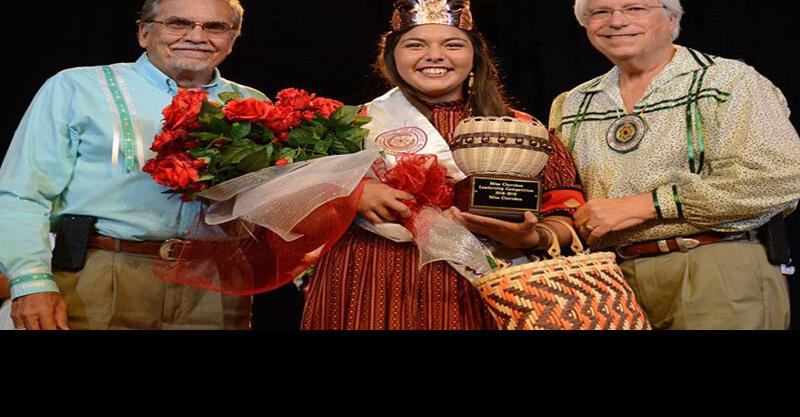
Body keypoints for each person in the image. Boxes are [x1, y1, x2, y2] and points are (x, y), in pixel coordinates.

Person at [302, 0, 586, 330]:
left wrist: (531, 237)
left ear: (476, 55)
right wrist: (353, 193)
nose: (435, 55)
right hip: (370, 283)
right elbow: (297, 207)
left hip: (486, 290)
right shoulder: (352, 125)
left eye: (453, 44)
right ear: (392, 56)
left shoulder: (524, 130)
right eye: (415, 45)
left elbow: (566, 217)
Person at [0, 0, 265, 330]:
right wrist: (31, 283)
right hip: (99, 273)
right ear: (144, 32)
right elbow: (22, 194)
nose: (197, 36)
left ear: (233, 38)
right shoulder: (77, 88)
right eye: (178, 23)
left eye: (215, 27)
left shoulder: (255, 107)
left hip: (213, 285)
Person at [549, 0, 800, 329]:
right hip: (608, 279)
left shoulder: (728, 81)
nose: (617, 21)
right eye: (600, 12)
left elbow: (776, 180)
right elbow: (562, 192)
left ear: (671, 18)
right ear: (586, 25)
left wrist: (648, 205)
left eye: (635, 8)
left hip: (714, 266)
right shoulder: (573, 103)